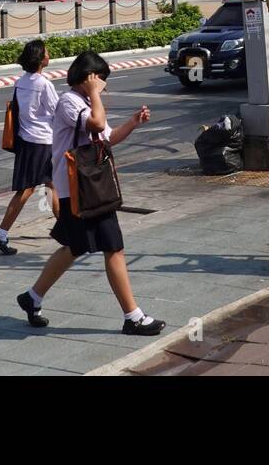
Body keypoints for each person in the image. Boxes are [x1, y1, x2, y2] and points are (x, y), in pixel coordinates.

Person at [17, 51, 166, 335]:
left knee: (74, 247)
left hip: (87, 187)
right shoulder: (69, 102)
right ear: (89, 78)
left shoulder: (85, 101)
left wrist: (133, 123)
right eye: (101, 80)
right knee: (114, 247)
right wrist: (94, 93)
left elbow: (107, 137)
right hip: (79, 189)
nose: (104, 87)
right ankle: (133, 317)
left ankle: (32, 297)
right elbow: (96, 125)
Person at [0, 40, 60, 255]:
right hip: (41, 141)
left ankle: (68, 231)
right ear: (40, 59)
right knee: (28, 189)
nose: (49, 54)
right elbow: (58, 111)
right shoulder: (43, 84)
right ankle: (0, 234)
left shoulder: (21, 81)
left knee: (51, 185)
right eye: (46, 52)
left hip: (27, 140)